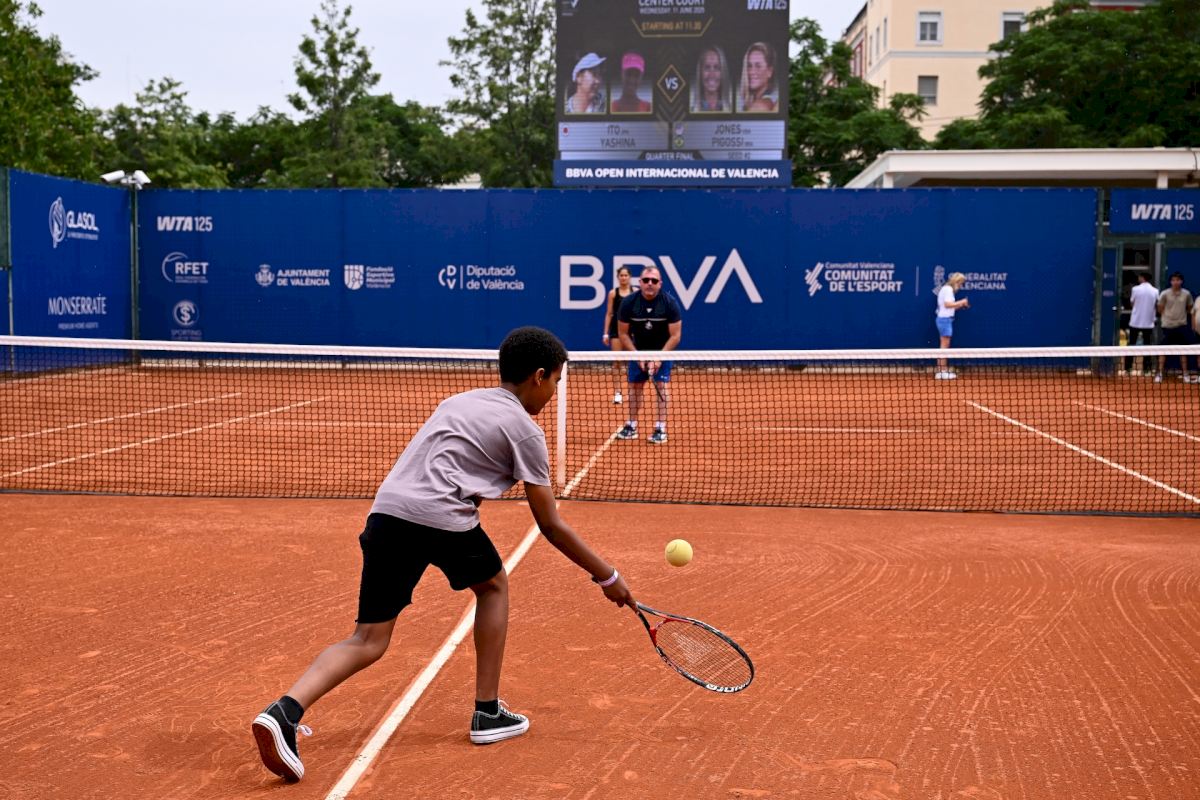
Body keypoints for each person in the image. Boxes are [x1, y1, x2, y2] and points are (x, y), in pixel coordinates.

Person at [251, 327, 635, 782]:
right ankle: (487, 713)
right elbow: (549, 523)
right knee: (493, 586)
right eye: (555, 381)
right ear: (538, 376)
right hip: (442, 518)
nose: (554, 391)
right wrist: (607, 576)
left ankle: (284, 711)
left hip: (387, 514)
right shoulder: (526, 432)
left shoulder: (460, 401)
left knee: (368, 640)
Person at [616, 266, 682, 444]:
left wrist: (659, 358)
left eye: (654, 281)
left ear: (660, 283)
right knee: (635, 388)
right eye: (646, 280)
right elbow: (623, 334)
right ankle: (631, 426)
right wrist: (638, 357)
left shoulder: (669, 303)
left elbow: (675, 336)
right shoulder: (629, 302)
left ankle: (660, 428)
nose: (649, 284)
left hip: (663, 350)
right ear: (640, 282)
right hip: (638, 350)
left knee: (661, 386)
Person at [602, 266, 636, 404]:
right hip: (616, 331)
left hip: (632, 331)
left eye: (625, 275)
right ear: (618, 277)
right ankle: (617, 393)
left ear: (629, 277)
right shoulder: (613, 294)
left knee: (631, 363)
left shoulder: (635, 293)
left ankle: (631, 391)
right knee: (617, 362)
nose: (623, 277)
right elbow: (609, 313)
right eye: (621, 275)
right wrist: (605, 333)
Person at [1155, 271, 1195, 383]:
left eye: (1178, 280)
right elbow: (1159, 308)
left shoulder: (1186, 294)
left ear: (1181, 281)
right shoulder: (1164, 294)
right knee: (1163, 350)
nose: (1175, 282)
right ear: (1170, 282)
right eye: (1173, 280)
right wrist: (1168, 317)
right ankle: (1159, 374)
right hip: (1167, 327)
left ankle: (1185, 374)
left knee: (1183, 351)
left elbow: (1189, 308)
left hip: (1181, 326)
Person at [934, 272, 969, 380]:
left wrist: (960, 305)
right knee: (944, 346)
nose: (960, 286)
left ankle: (941, 370)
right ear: (957, 281)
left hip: (945, 319)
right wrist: (962, 301)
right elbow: (947, 304)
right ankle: (941, 371)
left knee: (944, 346)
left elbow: (949, 307)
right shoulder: (948, 289)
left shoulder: (947, 289)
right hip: (944, 320)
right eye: (961, 283)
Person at [1125, 271, 1157, 375]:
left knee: (1131, 344)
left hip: (1135, 321)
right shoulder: (1155, 291)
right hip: (1149, 323)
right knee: (1147, 345)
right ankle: (1146, 369)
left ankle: (1128, 368)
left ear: (1142, 278)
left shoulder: (1135, 289)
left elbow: (1132, 303)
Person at [737, 42, 777, 113]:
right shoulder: (751, 103)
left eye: (758, 66)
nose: (751, 72)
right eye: (749, 66)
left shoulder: (761, 106)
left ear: (769, 72)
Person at [691, 46, 732, 112]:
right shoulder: (692, 112)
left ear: (722, 73)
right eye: (707, 68)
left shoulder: (731, 111)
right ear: (700, 73)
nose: (712, 74)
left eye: (716, 68)